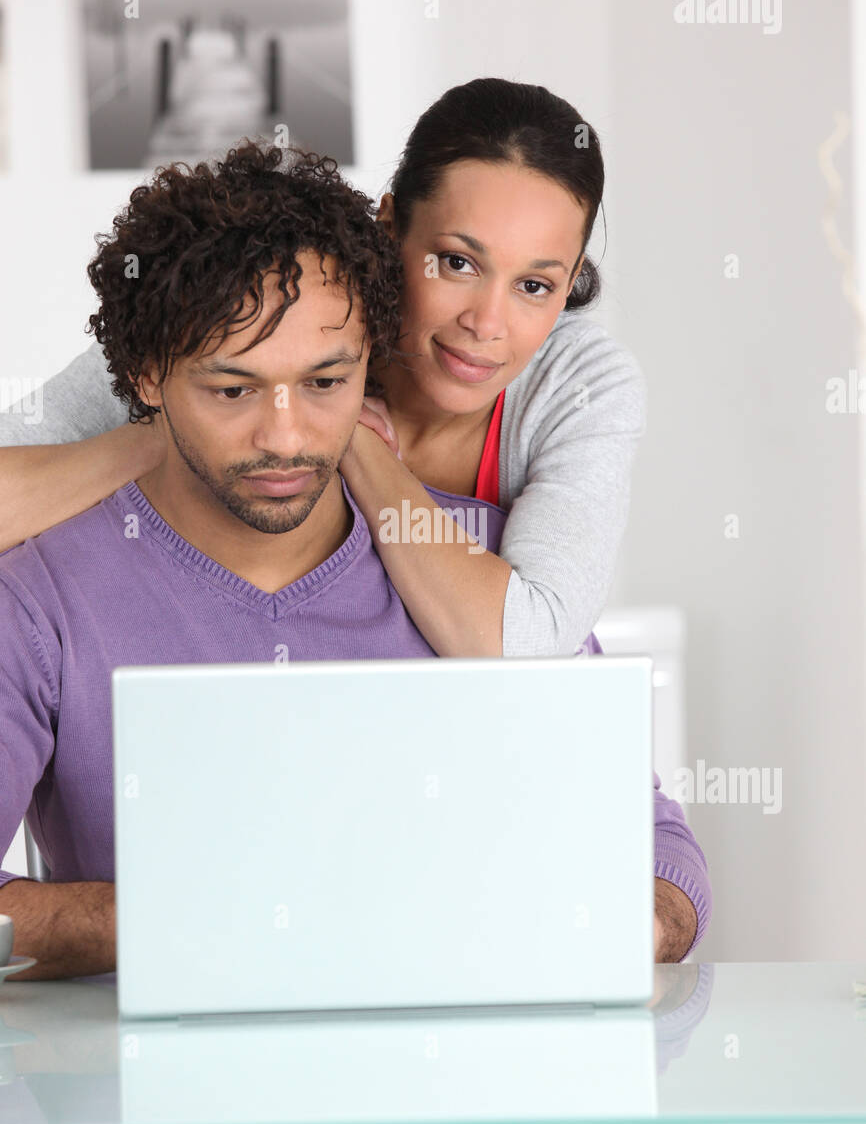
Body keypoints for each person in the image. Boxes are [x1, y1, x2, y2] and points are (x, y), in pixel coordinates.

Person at [0, 144, 710, 979]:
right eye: (234, 390)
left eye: (327, 382)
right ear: (148, 379)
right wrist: (205, 918)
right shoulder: (40, 595)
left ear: (372, 358)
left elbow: (661, 858)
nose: (286, 436)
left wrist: (623, 926)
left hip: (463, 1095)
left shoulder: (476, 564)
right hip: (167, 1093)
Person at [0, 79, 645, 658]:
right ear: (392, 227)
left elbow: (528, 643)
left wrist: (353, 448)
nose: (487, 322)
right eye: (457, 263)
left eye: (535, 285)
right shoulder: (269, 303)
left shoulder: (579, 384)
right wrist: (165, 431)